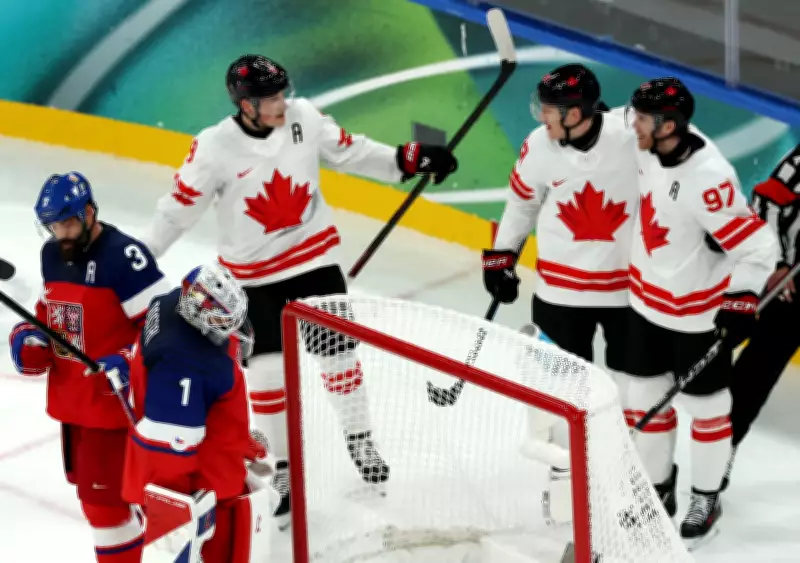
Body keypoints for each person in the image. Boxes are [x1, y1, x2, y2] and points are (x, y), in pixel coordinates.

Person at [139, 53, 458, 516]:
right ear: (245, 104)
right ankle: (281, 466)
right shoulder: (214, 147)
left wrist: (406, 159)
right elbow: (177, 209)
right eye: (270, 98)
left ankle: (360, 439)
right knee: (267, 374)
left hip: (314, 262)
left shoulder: (304, 117)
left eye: (282, 93)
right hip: (251, 279)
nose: (281, 103)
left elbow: (352, 151)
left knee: (339, 357)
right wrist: (140, 257)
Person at [622, 77, 779, 546]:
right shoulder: (646, 145)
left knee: (708, 411)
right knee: (644, 398)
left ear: (668, 126)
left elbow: (759, 246)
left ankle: (705, 499)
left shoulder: (709, 178)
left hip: (694, 317)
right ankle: (657, 488)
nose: (633, 125)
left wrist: (742, 297)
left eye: (643, 118)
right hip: (644, 303)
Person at [482, 63, 639, 524]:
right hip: (559, 292)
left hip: (626, 292)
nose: (541, 116)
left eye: (551, 110)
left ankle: (628, 475)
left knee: (630, 387)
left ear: (577, 113)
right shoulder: (538, 145)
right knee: (559, 389)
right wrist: (500, 258)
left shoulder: (629, 134)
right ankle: (563, 473)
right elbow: (521, 204)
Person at [8, 172, 170, 562]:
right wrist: (29, 337)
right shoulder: (52, 254)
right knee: (107, 505)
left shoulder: (124, 257)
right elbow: (50, 313)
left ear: (90, 212)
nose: (60, 233)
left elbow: (164, 324)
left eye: (67, 222)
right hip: (74, 404)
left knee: (105, 511)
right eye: (53, 225)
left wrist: (127, 360)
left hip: (113, 409)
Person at [122, 262, 275, 563]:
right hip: (204, 495)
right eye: (220, 318)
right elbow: (168, 455)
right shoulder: (184, 365)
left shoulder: (169, 303)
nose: (230, 327)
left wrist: (236, 442)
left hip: (209, 476)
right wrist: (177, 518)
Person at [722, 144, 800, 489]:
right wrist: (778, 262)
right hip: (790, 286)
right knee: (756, 370)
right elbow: (766, 201)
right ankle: (721, 449)